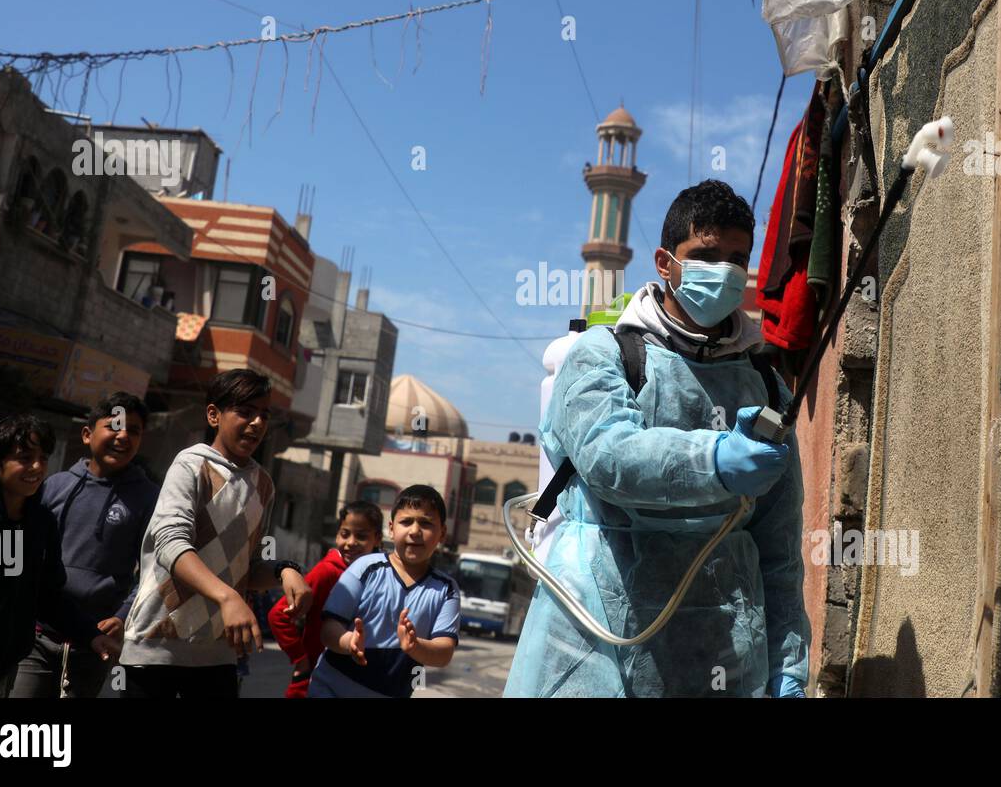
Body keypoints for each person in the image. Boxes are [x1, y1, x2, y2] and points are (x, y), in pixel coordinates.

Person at [505, 179, 810, 698]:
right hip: (593, 635)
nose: (726, 272)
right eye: (706, 255)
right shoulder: (603, 355)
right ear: (665, 263)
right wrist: (713, 460)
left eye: (738, 259)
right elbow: (609, 456)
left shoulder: (763, 382)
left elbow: (778, 550)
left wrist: (789, 667)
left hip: (720, 650)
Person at [117, 368, 312, 698]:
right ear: (213, 415)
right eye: (245, 412)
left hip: (218, 655)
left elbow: (246, 567)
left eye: (264, 415)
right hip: (156, 646)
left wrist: (284, 571)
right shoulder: (190, 464)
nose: (257, 423)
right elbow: (169, 542)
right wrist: (227, 596)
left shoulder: (263, 485)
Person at [0, 415, 121, 698]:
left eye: (43, 457)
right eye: (24, 458)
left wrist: (90, 635)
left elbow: (47, 596)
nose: (37, 467)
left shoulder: (41, 526)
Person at [11, 393, 160, 699]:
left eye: (133, 430)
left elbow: (151, 569)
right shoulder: (54, 486)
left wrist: (122, 614)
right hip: (35, 634)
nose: (122, 435)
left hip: (95, 641)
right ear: (87, 433)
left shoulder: (149, 498)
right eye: (114, 425)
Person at [308, 485, 460, 698]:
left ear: (442, 533)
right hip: (330, 688)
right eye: (406, 522)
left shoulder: (446, 590)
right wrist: (348, 642)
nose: (415, 531)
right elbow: (328, 628)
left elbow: (444, 653)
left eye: (425, 523)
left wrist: (416, 646)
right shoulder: (365, 568)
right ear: (391, 528)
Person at [268, 502, 384, 698]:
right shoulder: (327, 572)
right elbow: (278, 615)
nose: (350, 542)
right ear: (337, 534)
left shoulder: (379, 575)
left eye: (361, 536)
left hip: (354, 679)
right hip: (314, 677)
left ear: (378, 539)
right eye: (345, 534)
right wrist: (301, 659)